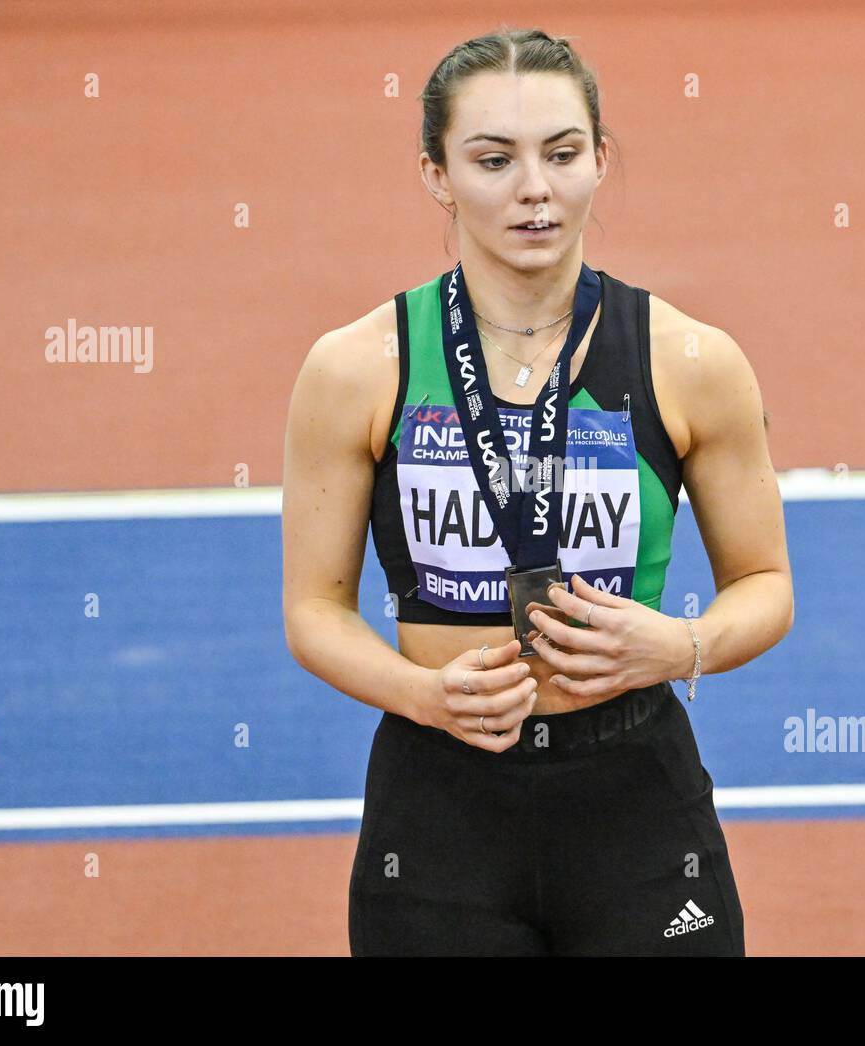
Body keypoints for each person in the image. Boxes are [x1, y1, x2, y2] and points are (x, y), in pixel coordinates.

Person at [281, 26, 794, 956]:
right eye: (492, 159)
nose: (534, 188)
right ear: (436, 174)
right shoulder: (356, 369)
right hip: (440, 803)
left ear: (600, 159)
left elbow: (766, 585)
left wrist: (681, 646)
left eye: (562, 154)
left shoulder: (693, 362)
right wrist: (421, 694)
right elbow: (313, 609)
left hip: (634, 793)